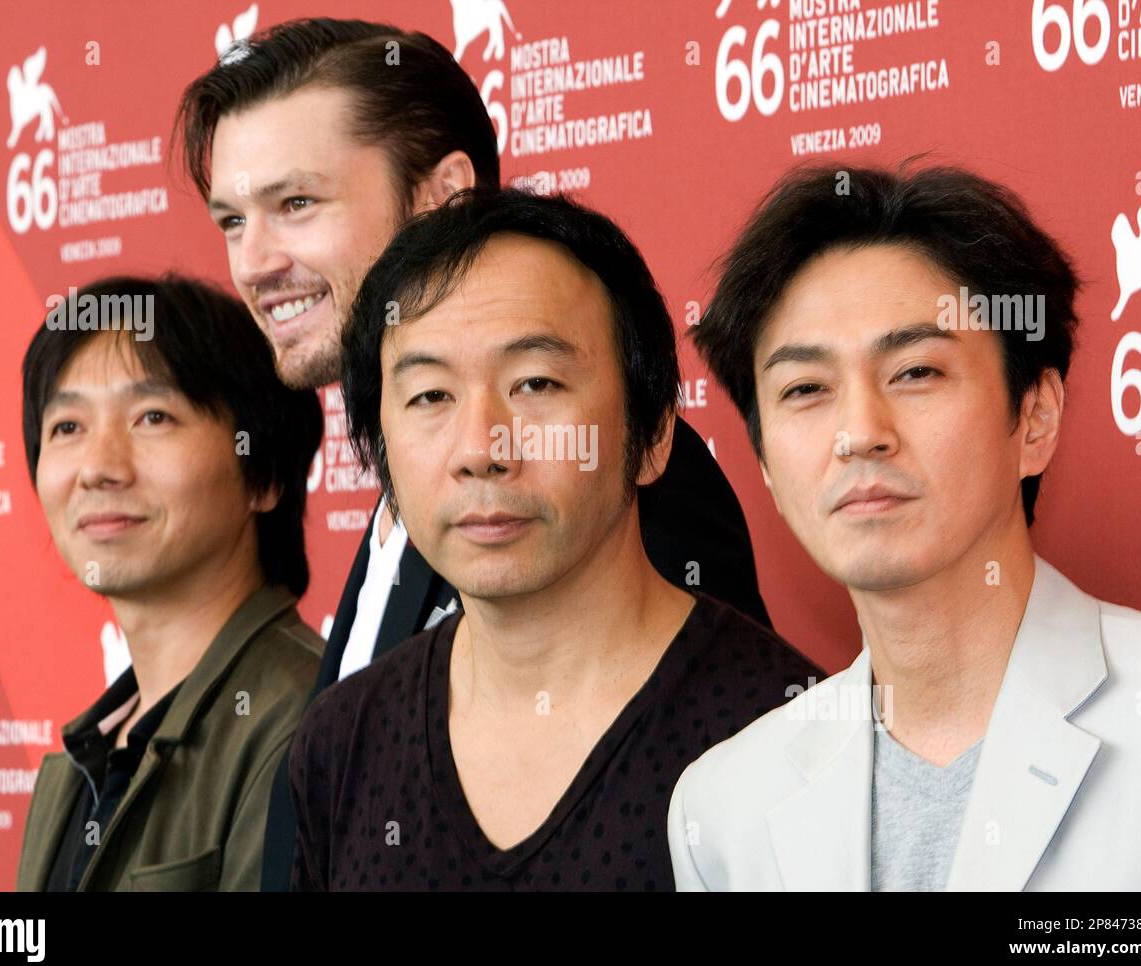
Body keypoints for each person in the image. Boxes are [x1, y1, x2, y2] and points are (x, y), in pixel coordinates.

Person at [174, 16, 770, 890]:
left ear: (441, 193)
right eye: (232, 219)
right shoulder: (401, 507)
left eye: (296, 205)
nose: (255, 261)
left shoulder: (623, 478)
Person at [670, 163, 1141, 891]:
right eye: (805, 390)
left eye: (916, 371)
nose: (860, 433)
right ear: (763, 465)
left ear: (1035, 418)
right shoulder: (724, 809)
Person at [287, 188, 818, 891]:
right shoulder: (343, 742)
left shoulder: (791, 736)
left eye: (535, 383)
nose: (481, 448)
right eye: (430, 397)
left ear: (654, 432)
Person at [15, 275, 323, 891]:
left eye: (153, 417)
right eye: (67, 427)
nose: (99, 468)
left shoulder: (306, 724)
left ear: (263, 476)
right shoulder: (80, 762)